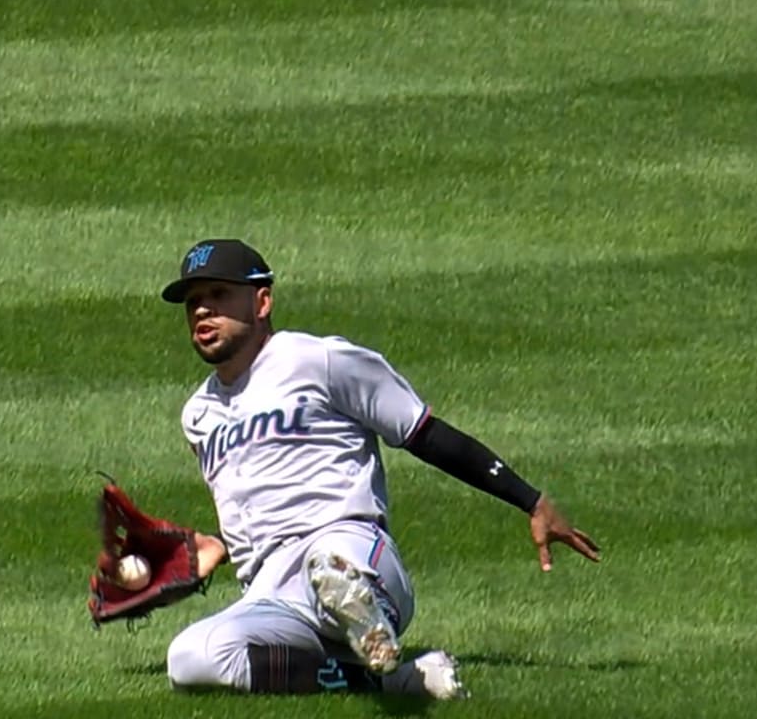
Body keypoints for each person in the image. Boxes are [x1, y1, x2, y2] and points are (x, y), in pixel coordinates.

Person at [159, 239, 601, 698]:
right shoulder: (199, 415)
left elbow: (423, 432)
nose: (203, 312)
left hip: (348, 543)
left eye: (218, 296)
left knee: (331, 569)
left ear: (262, 300)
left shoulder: (319, 361)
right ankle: (385, 678)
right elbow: (257, 502)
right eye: (193, 302)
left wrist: (529, 500)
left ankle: (360, 609)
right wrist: (210, 551)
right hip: (273, 587)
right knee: (191, 659)